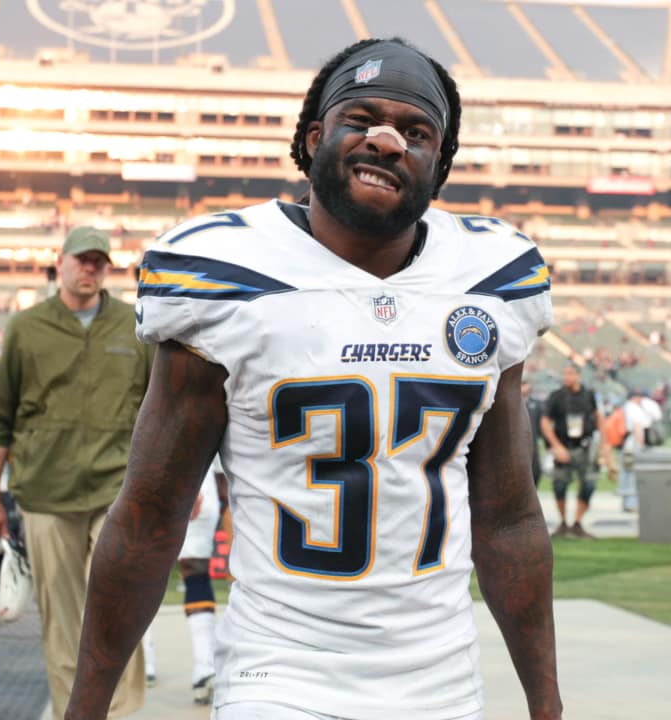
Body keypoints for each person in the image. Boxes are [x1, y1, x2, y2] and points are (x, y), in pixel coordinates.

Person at [66, 37, 562, 720]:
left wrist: (547, 705)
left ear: (439, 167)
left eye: (417, 132)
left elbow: (508, 519)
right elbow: (151, 517)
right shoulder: (227, 271)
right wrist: (85, 709)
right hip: (278, 675)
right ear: (313, 137)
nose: (387, 141)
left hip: (442, 681)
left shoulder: (491, 277)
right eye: (361, 119)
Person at [0, 227, 156, 719]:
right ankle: (70, 713)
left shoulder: (134, 325)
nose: (90, 268)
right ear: (61, 263)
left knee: (120, 608)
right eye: (82, 259)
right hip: (46, 492)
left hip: (118, 490)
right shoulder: (27, 327)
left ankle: (117, 713)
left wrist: (177, 483)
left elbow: (160, 412)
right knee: (62, 620)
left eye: (99, 261)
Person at [141, 460, 225, 704]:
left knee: (143, 575)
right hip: (198, 481)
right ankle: (204, 667)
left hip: (149, 483)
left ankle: (144, 664)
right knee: (194, 573)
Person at [540, 364, 604, 536]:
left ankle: (577, 523)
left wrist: (603, 446)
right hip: (564, 446)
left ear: (578, 376)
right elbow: (545, 422)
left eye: (570, 374)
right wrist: (556, 446)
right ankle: (563, 523)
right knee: (559, 485)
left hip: (585, 446)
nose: (566, 377)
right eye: (565, 374)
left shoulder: (588, 395)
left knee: (589, 485)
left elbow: (598, 417)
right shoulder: (556, 396)